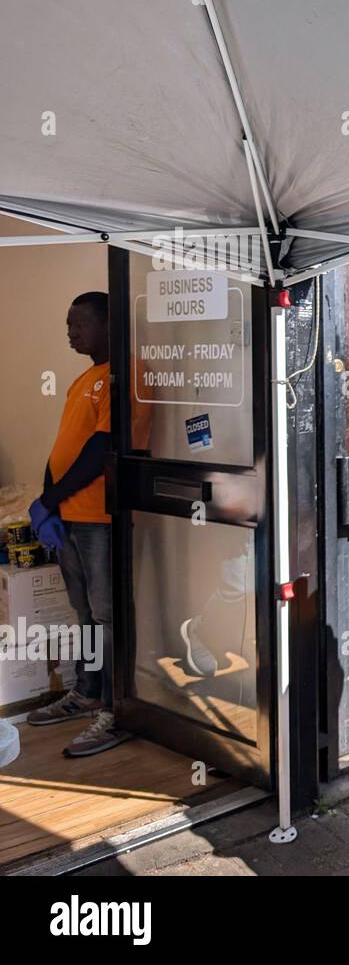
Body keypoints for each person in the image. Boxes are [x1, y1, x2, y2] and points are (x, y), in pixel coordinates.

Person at [25, 293, 129, 756]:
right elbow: (64, 446)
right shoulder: (82, 379)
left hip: (99, 520)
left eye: (79, 323)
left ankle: (117, 709)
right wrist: (46, 503)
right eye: (68, 324)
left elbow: (100, 451)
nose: (70, 331)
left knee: (108, 615)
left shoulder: (120, 375)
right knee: (84, 613)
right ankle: (87, 693)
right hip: (70, 517)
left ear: (108, 322)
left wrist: (50, 497)